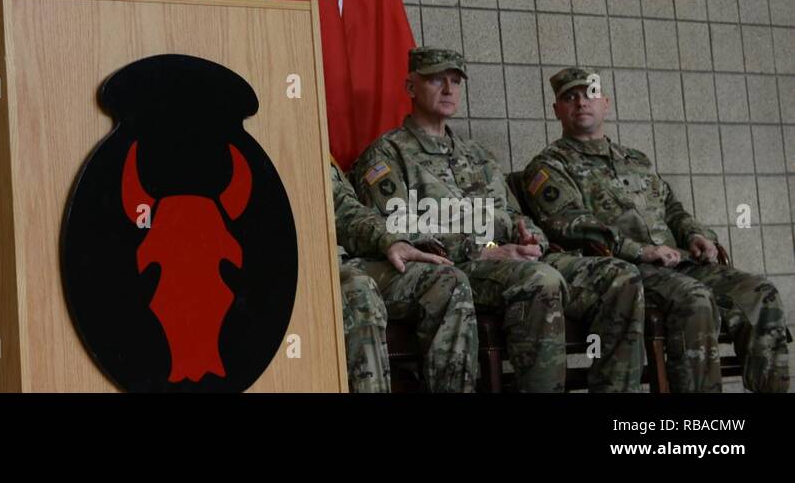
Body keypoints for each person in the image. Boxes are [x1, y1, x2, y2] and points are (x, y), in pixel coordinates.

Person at [351, 48, 646, 392]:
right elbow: (400, 231)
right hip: (456, 266)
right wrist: (485, 251)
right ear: (411, 86)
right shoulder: (387, 154)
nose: (448, 89)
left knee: (621, 278)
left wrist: (530, 238)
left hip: (513, 257)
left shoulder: (477, 155)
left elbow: (516, 213)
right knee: (540, 280)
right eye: (435, 79)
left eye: (455, 81)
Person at [523, 67, 790, 393]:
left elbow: (673, 208)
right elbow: (570, 224)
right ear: (557, 110)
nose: (581, 102)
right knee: (695, 299)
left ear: (605, 103)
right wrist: (641, 251)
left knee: (761, 293)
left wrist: (697, 235)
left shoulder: (636, 159)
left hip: (680, 262)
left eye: (589, 94)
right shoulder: (549, 165)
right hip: (627, 271)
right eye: (570, 97)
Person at [333, 162, 476, 392]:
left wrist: (390, 240)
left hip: (337, 260)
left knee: (448, 282)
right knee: (358, 290)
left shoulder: (306, 149)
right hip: (292, 269)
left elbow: (344, 210)